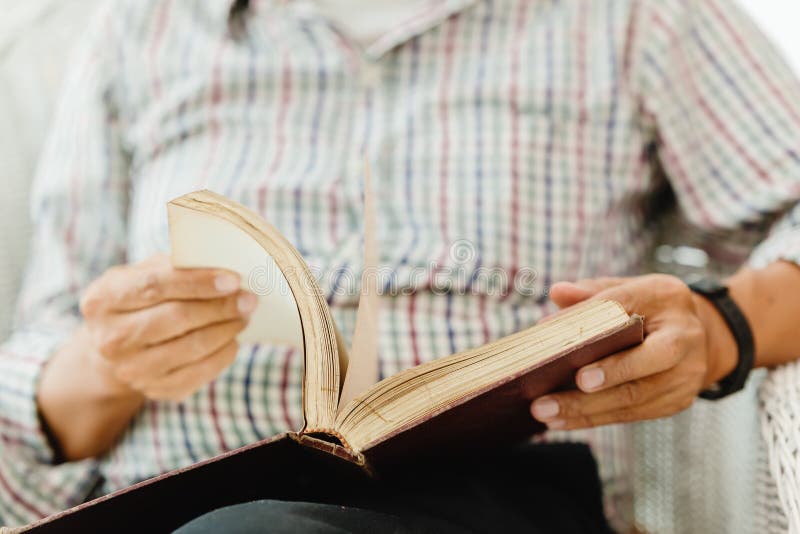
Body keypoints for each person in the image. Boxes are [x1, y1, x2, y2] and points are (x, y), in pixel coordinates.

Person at [1, 0, 800, 530]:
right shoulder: (140, 30)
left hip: (493, 496)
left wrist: (723, 328)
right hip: (170, 496)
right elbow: (37, 379)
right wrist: (109, 364)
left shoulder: (629, 16)